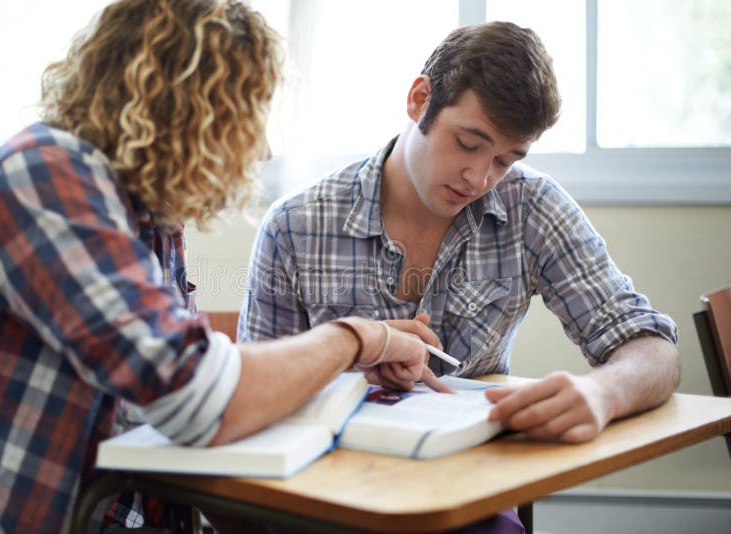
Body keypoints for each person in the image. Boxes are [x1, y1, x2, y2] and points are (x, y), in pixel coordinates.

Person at [0, 1, 450, 532]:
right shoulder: (41, 178)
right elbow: (203, 397)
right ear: (186, 108)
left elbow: (179, 398)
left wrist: (347, 368)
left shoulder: (148, 218)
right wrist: (360, 337)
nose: (264, 149)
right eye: (250, 116)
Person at [240, 20, 680, 532]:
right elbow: (251, 404)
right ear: (419, 98)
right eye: (468, 144)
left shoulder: (531, 208)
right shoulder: (297, 225)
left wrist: (604, 394)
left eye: (506, 159)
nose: (480, 178)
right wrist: (349, 362)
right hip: (324, 503)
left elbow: (652, 347)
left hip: (471, 506)